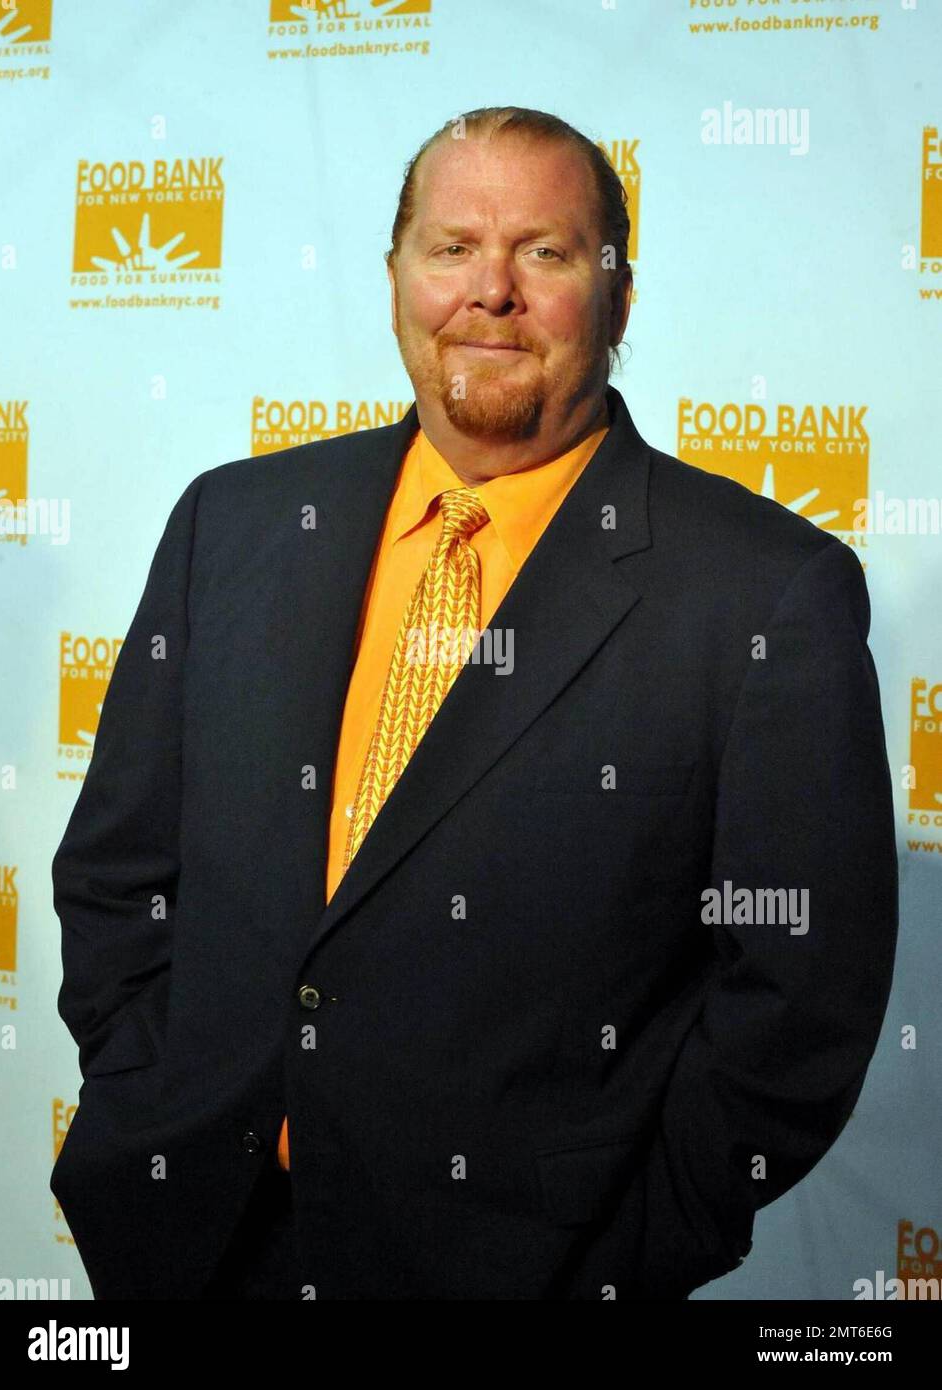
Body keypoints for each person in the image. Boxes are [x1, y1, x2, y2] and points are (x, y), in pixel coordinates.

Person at [50, 105, 898, 1301]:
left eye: (543, 254)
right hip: (197, 1241)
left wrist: (630, 1236)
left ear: (617, 295)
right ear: (396, 274)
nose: (487, 291)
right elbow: (112, 871)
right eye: (450, 247)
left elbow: (799, 999)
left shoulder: (763, 591)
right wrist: (148, 1091)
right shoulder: (231, 525)